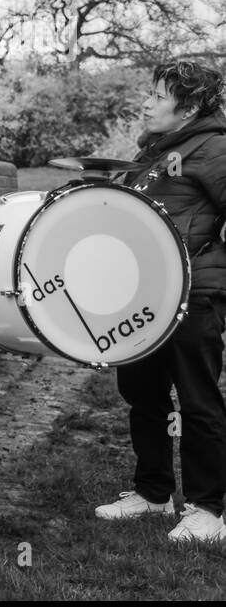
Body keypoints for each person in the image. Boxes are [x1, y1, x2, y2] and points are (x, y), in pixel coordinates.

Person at [97, 61, 226, 542]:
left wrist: (206, 263)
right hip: (144, 297)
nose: (146, 102)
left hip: (193, 295)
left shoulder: (215, 149)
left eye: (157, 95)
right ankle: (154, 494)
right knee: (143, 394)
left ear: (189, 107)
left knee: (197, 401)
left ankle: (208, 511)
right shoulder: (155, 153)